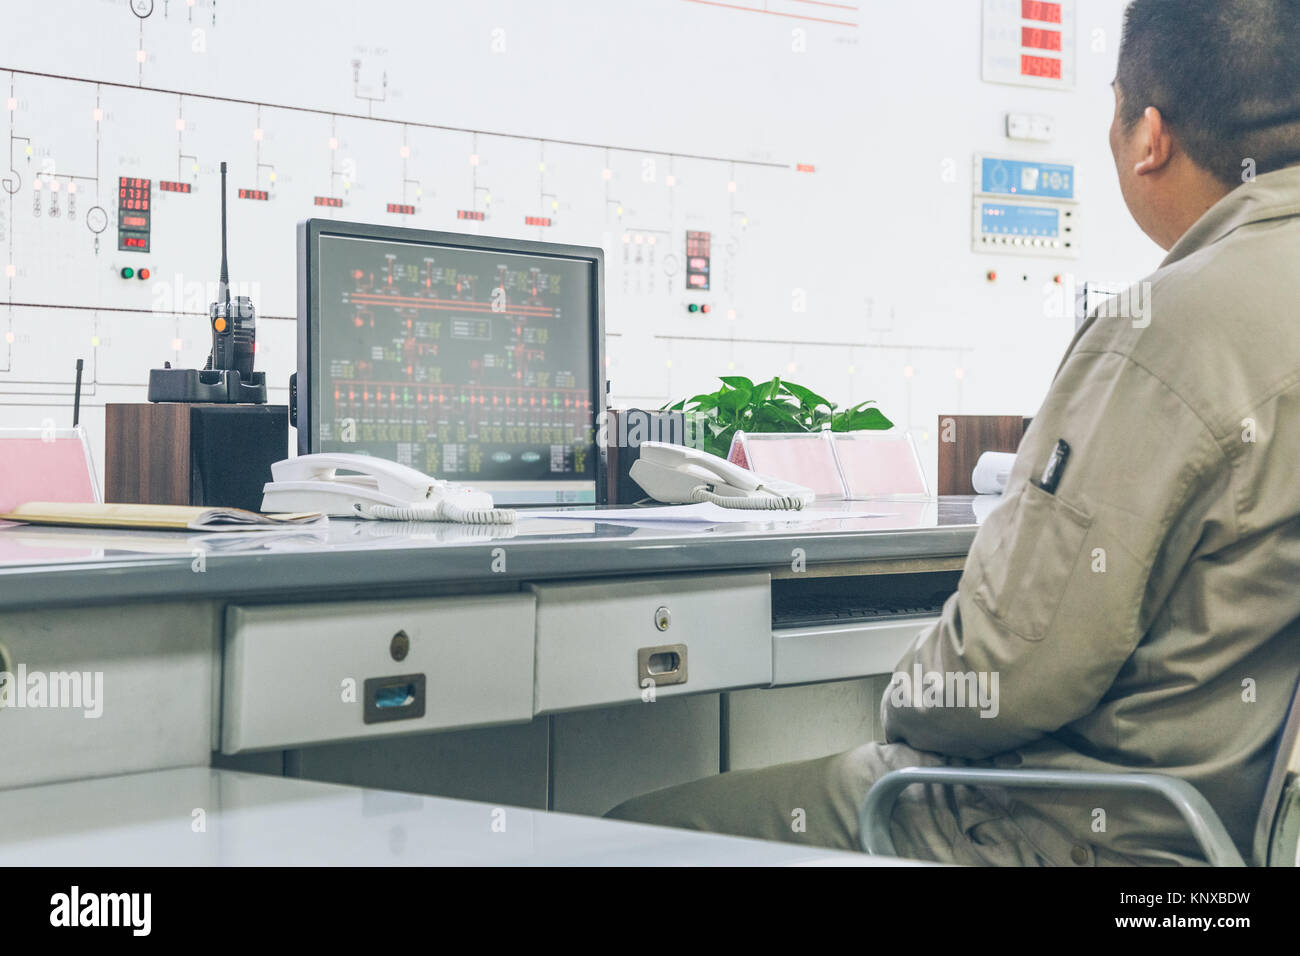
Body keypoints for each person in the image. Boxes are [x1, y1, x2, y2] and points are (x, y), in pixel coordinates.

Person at [607, 0, 1300, 865]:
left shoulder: (1170, 330)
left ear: (1148, 135)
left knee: (619, 836)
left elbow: (1001, 674)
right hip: (1235, 839)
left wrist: (904, 698)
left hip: (1088, 834)